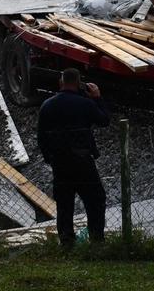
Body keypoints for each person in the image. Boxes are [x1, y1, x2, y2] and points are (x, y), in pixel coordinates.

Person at [37, 67, 110, 245]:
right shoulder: (85, 103)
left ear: (61, 82)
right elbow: (104, 121)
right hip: (82, 160)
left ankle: (67, 242)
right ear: (79, 83)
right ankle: (97, 240)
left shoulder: (47, 105)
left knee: (64, 204)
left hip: (60, 162)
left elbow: (41, 137)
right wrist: (98, 97)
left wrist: (50, 159)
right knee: (95, 200)